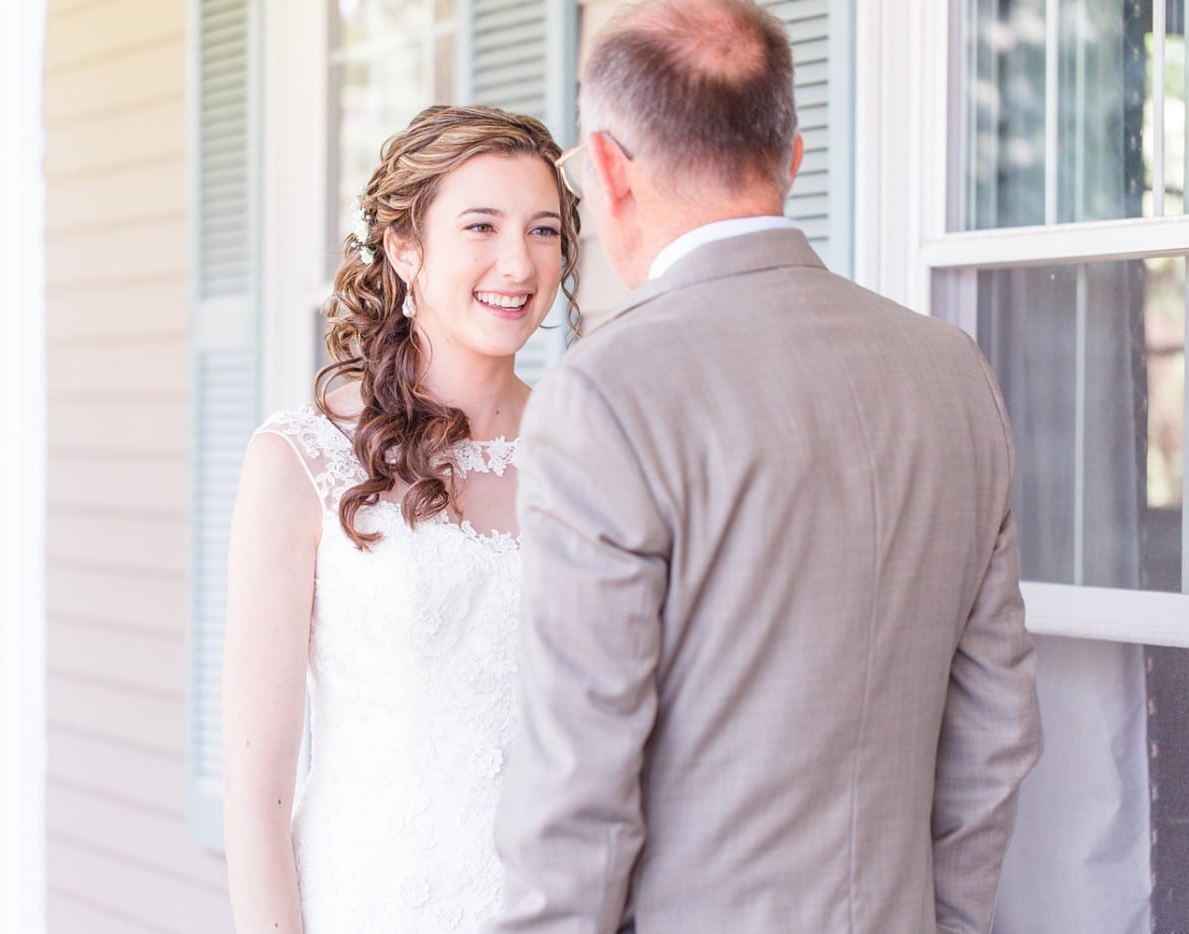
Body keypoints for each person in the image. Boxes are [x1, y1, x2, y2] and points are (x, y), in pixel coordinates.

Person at [487, 2, 1043, 932]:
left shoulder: (606, 394)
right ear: (792, 154)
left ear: (611, 173)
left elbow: (574, 796)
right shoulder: (955, 371)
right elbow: (995, 736)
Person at [220, 104, 581, 934]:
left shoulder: (592, 449)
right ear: (405, 247)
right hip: (374, 901)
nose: (517, 264)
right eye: (480, 226)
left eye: (543, 231)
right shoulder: (302, 461)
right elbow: (256, 785)